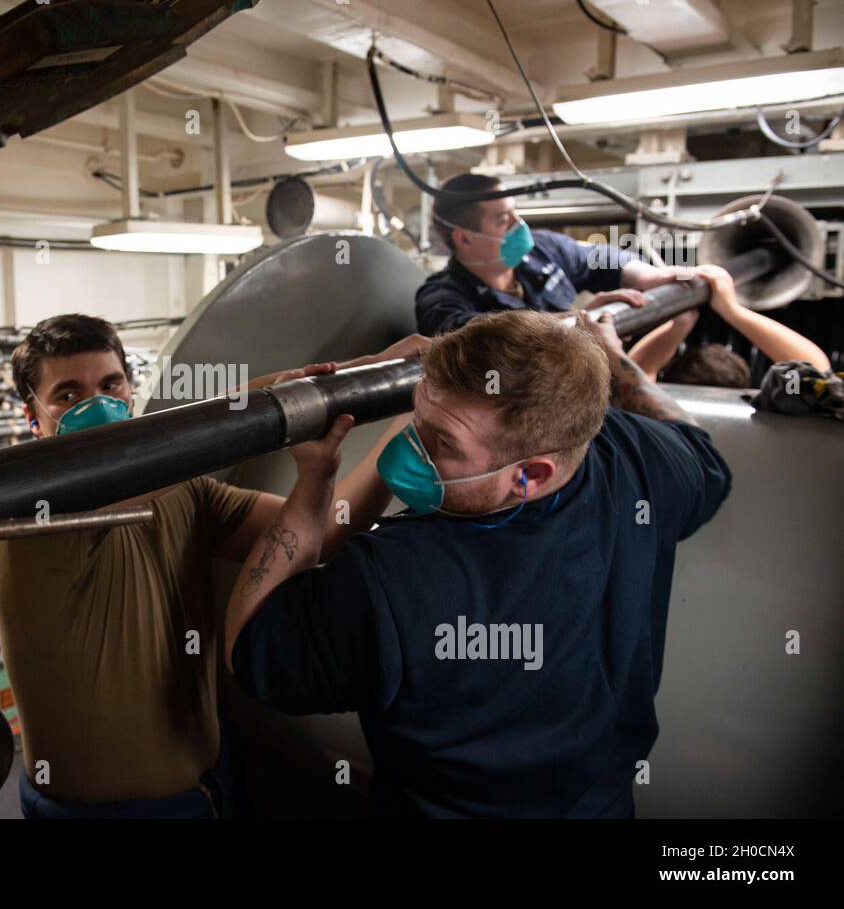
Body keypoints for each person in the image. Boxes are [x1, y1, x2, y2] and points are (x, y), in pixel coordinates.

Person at [224, 309, 733, 817]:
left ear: (530, 473)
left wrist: (315, 481)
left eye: (441, 442)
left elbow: (250, 647)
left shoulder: (395, 577)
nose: (409, 445)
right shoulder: (637, 457)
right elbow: (699, 448)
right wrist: (617, 361)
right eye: (413, 414)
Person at [0, 313, 429, 818]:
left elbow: (321, 534)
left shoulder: (185, 494)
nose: (97, 405)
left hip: (206, 787)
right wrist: (357, 371)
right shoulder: (23, 516)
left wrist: (405, 426)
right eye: (68, 395)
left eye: (110, 384)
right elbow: (194, 439)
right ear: (31, 418)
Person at [415, 173, 685, 336]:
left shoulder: (543, 250)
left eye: (515, 211)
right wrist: (573, 322)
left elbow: (600, 257)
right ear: (463, 238)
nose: (518, 224)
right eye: (503, 219)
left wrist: (647, 276)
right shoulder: (441, 297)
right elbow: (478, 337)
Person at [626, 264, 831, 385]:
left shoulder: (659, 417)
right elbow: (816, 374)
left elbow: (634, 373)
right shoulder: (770, 422)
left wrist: (679, 324)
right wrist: (732, 311)